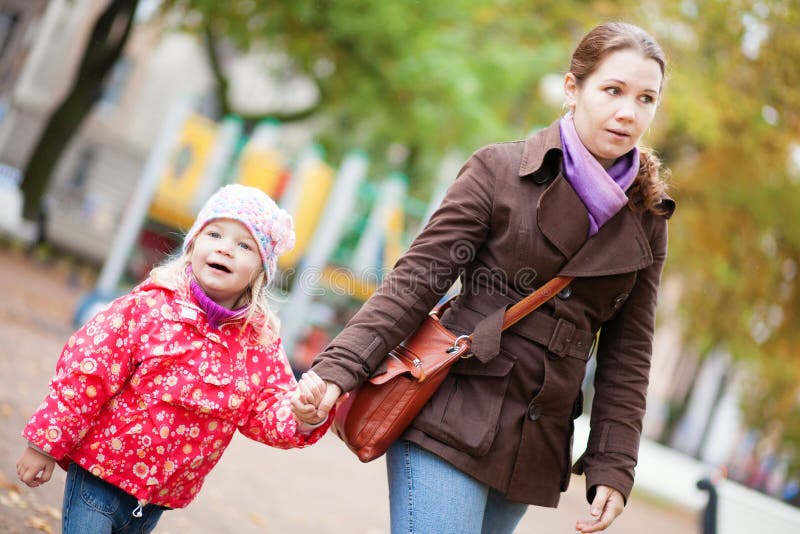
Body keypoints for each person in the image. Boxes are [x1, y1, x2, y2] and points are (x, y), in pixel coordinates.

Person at [292, 22, 676, 534]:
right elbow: (415, 281)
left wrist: (613, 462)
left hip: (533, 440)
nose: (629, 112)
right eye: (613, 90)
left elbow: (629, 352)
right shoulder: (501, 170)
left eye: (646, 98)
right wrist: (340, 368)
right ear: (572, 89)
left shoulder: (647, 216)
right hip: (452, 409)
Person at [16, 184, 332, 533]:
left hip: (157, 497)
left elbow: (268, 410)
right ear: (194, 244)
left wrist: (302, 416)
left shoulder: (258, 343)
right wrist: (45, 444)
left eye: (244, 245)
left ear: (260, 270)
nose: (225, 249)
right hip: (99, 472)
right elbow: (86, 373)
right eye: (215, 234)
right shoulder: (149, 307)